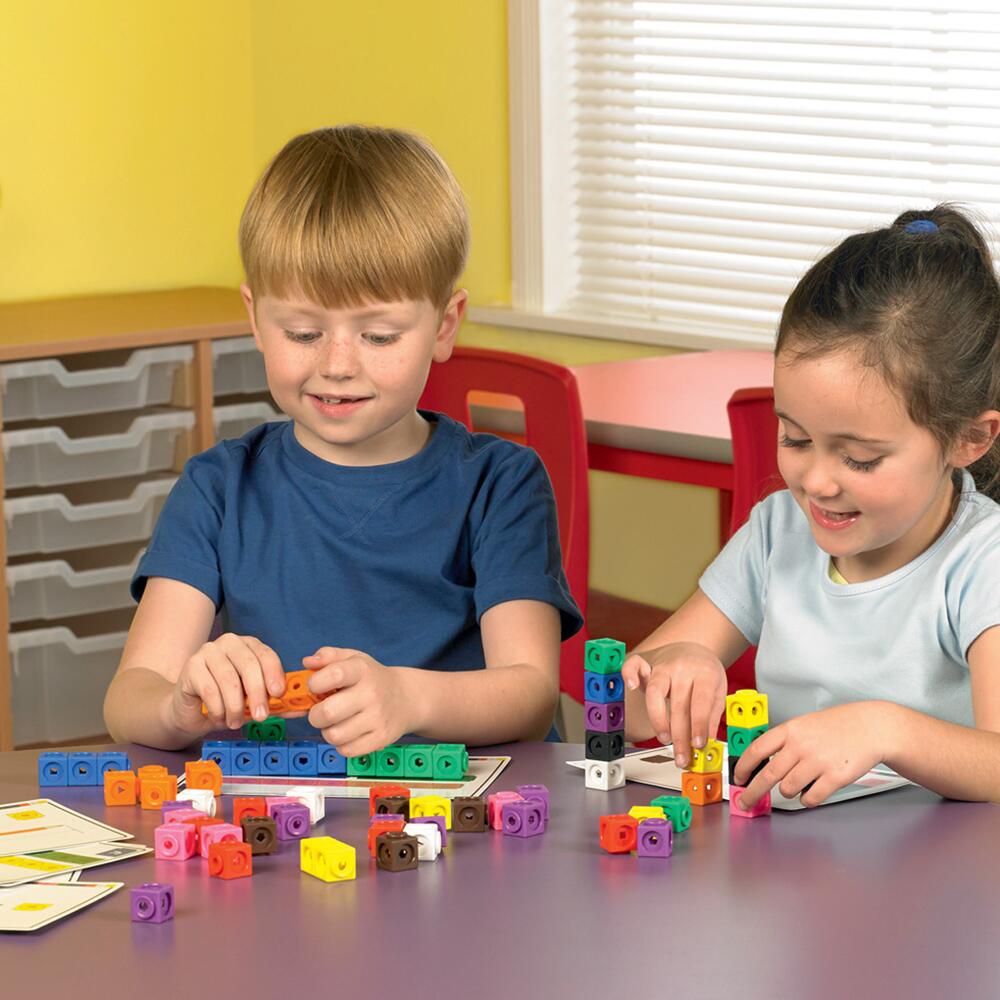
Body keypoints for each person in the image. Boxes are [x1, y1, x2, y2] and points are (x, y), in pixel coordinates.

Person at [104, 125, 581, 753]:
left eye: (379, 336)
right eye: (303, 333)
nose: (337, 364)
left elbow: (529, 692)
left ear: (445, 326)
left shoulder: (500, 484)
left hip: (464, 823)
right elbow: (129, 698)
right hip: (281, 830)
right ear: (255, 319)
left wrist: (411, 698)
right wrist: (179, 704)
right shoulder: (219, 487)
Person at [623, 205, 1000, 805]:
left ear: (967, 440)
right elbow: (625, 715)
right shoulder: (778, 532)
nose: (817, 483)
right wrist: (676, 668)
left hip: (939, 881)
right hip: (794, 870)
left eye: (860, 459)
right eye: (795, 439)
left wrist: (886, 728)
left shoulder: (982, 562)